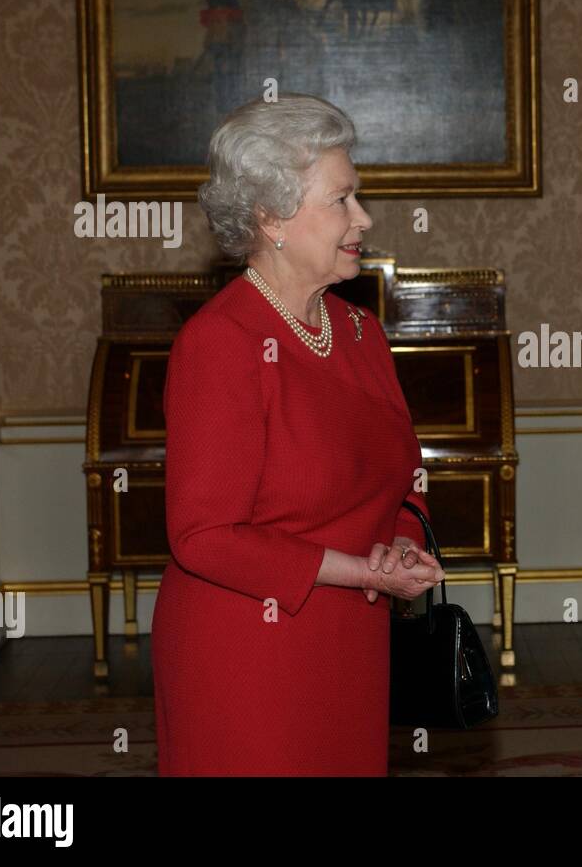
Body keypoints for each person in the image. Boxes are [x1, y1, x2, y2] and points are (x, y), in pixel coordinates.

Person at [152, 93, 443, 775]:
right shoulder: (219, 342)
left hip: (352, 640)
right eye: (342, 199)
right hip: (247, 652)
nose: (363, 218)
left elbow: (402, 476)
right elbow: (203, 535)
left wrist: (401, 538)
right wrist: (359, 570)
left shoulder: (361, 331)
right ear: (272, 216)